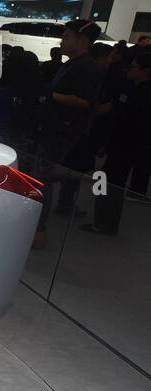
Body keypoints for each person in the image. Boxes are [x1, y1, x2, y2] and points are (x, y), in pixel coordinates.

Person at [37, 18, 104, 236]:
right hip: (53, 130)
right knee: (41, 176)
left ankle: (39, 228)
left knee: (43, 178)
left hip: (63, 133)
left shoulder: (88, 67)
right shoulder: (70, 64)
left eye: (67, 37)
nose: (61, 42)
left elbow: (84, 101)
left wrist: (49, 95)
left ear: (82, 40)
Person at [86, 47, 151, 234]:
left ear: (145, 71)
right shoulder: (134, 89)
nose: (129, 70)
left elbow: (132, 123)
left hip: (126, 147)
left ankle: (104, 223)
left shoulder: (143, 94)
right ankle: (103, 220)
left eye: (133, 67)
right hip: (120, 146)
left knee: (108, 182)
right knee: (108, 180)